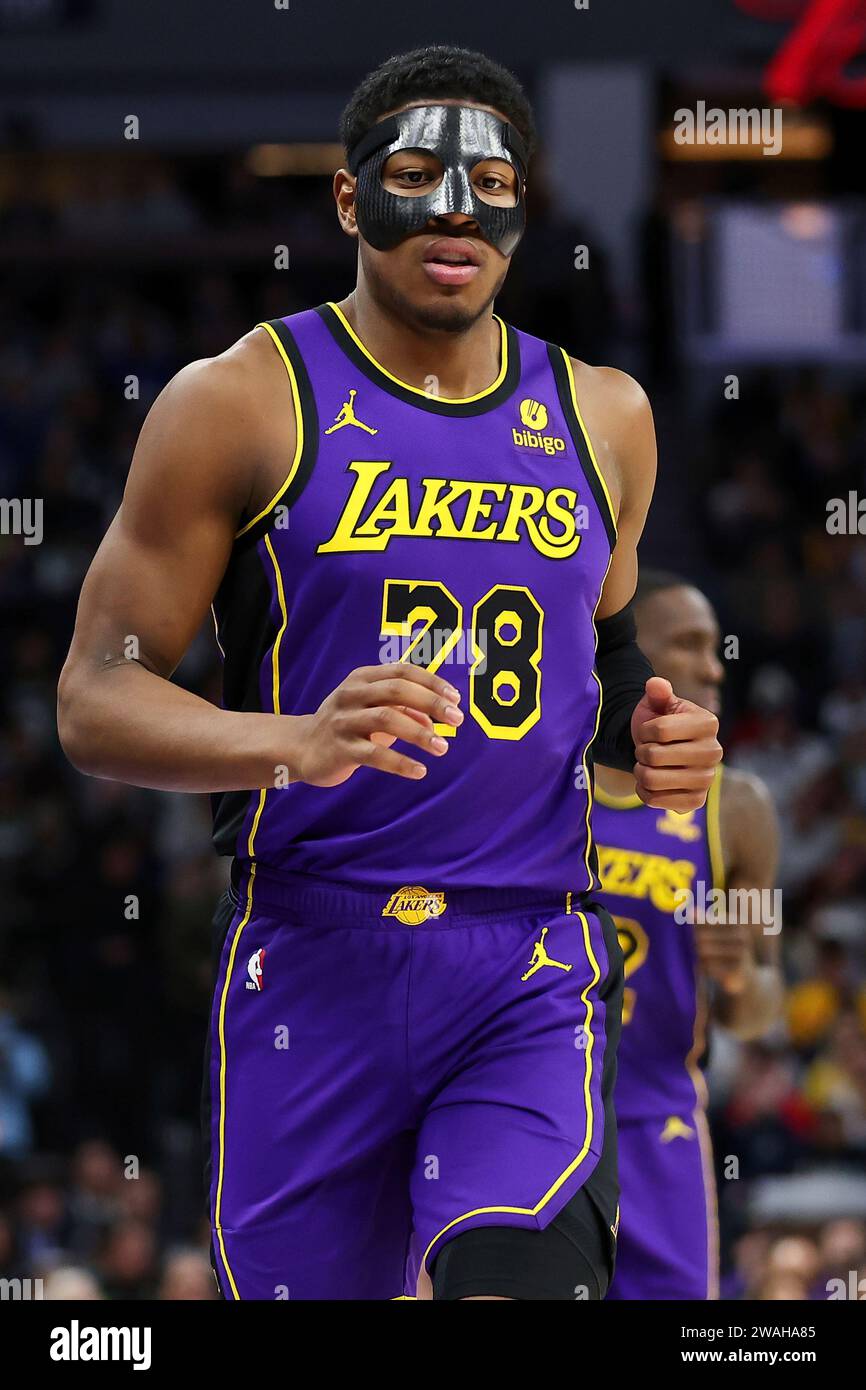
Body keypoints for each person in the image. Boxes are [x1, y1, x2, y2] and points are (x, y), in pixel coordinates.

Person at [58, 47, 721, 1301]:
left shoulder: (606, 415)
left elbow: (618, 680)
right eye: (416, 176)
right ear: (351, 201)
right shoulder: (241, 399)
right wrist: (290, 739)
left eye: (489, 183)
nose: (455, 211)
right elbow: (93, 696)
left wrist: (662, 744)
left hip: (525, 963)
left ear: (527, 203)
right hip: (313, 950)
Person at [594, 569, 782, 1300]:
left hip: (656, 1118)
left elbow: (763, 1007)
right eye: (690, 646)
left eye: (716, 647)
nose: (715, 665)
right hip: (537, 1097)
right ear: (628, 660)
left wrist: (740, 973)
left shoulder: (738, 808)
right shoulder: (549, 780)